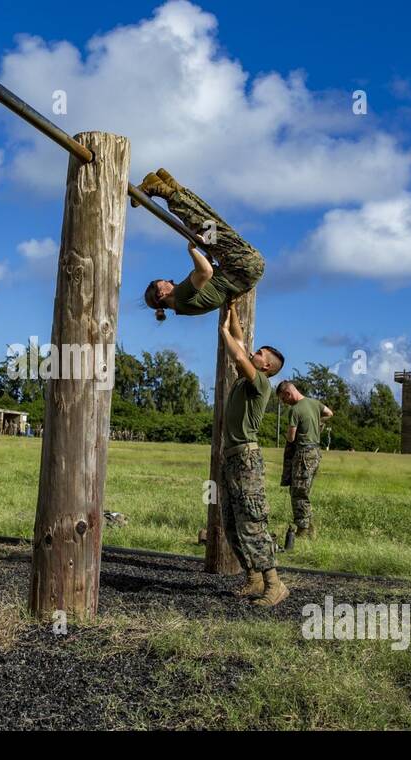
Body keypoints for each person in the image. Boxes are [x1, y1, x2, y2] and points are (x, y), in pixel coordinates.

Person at [217, 302, 288, 606]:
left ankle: (274, 584)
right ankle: (254, 578)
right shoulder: (248, 378)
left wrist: (223, 333)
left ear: (266, 367)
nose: (253, 354)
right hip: (232, 457)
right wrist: (231, 310)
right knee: (232, 523)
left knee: (252, 523)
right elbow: (241, 343)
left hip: (246, 460)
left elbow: (236, 350)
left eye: (259, 355)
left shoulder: (261, 384)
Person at [135, 169, 265, 321]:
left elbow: (211, 282)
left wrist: (206, 259)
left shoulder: (183, 305)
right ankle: (160, 188)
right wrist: (192, 250)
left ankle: (173, 188)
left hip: (244, 269)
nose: (170, 281)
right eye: (165, 282)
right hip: (238, 266)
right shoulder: (181, 297)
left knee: (210, 222)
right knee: (203, 225)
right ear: (161, 294)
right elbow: (206, 272)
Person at [278, 380, 334, 539]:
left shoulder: (295, 410)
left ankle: (303, 530)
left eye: (283, 399)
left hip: (303, 454)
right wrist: (318, 422)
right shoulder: (315, 403)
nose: (284, 402)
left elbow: (291, 437)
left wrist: (288, 435)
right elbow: (329, 413)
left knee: (298, 492)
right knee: (304, 490)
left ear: (288, 393)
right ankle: (309, 527)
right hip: (316, 453)